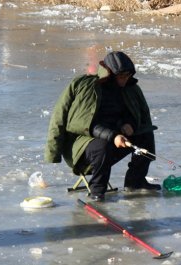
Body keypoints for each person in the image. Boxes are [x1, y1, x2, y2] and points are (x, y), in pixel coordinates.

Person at [45, 51, 160, 201]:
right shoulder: (85, 86)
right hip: (82, 143)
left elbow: (141, 116)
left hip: (115, 138)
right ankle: (97, 191)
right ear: (110, 73)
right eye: (121, 76)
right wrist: (53, 152)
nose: (125, 80)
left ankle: (135, 181)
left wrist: (129, 124)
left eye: (128, 76)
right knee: (103, 145)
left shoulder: (131, 89)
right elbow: (73, 121)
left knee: (145, 135)